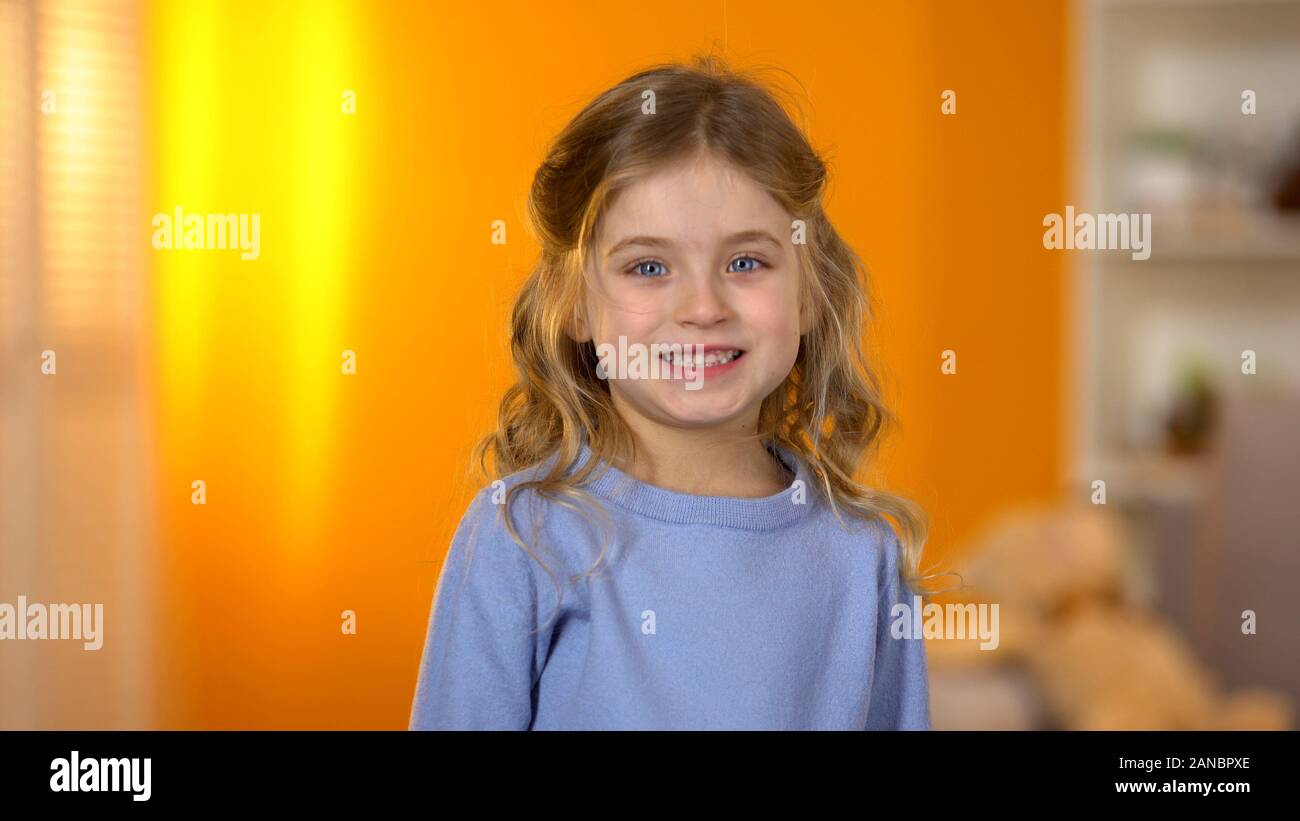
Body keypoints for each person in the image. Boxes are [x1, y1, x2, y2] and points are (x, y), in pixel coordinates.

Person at [410, 54, 931, 730]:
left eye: (746, 262)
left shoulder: (863, 555)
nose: (703, 306)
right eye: (648, 266)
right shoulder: (525, 535)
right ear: (573, 304)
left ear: (811, 291)